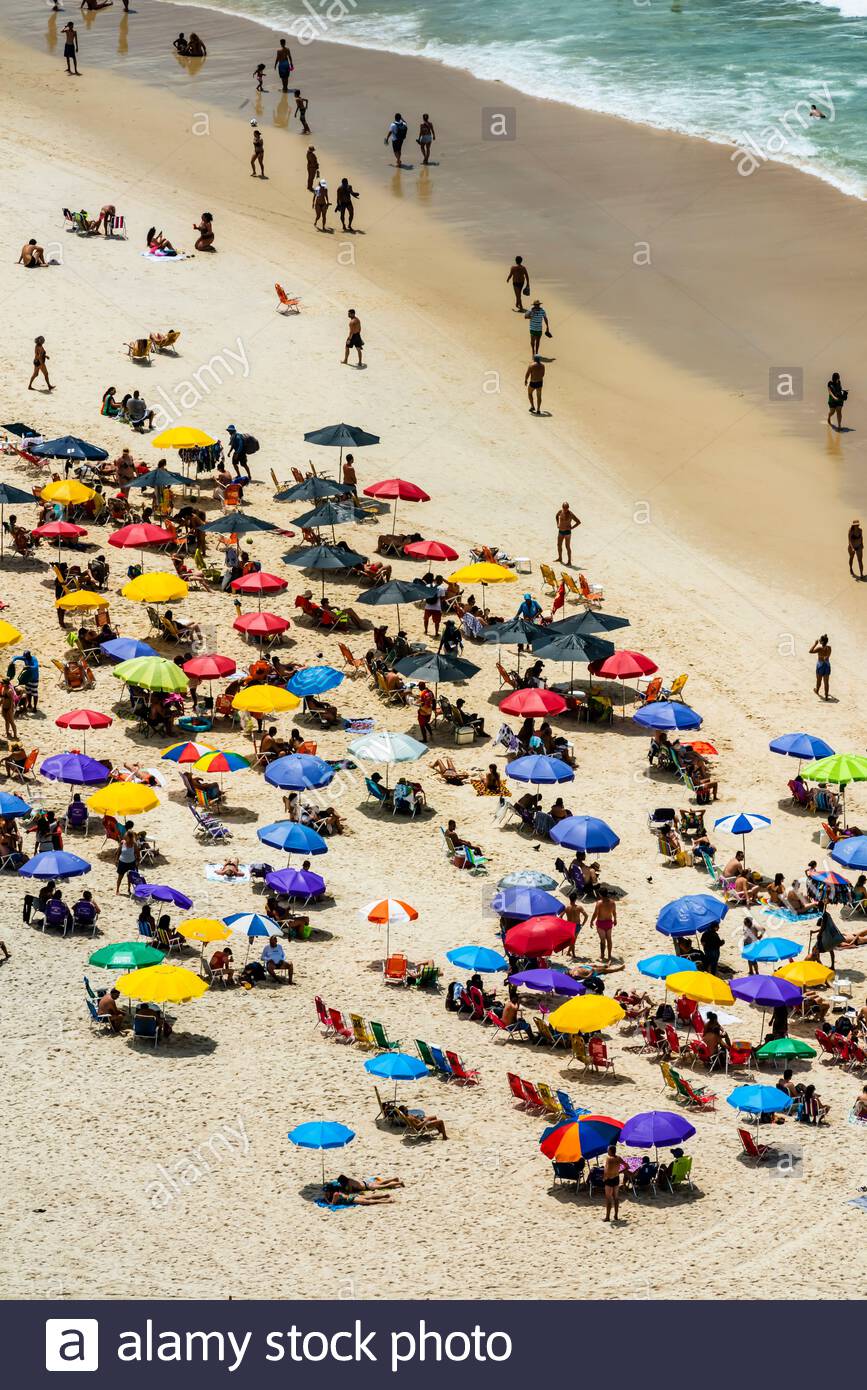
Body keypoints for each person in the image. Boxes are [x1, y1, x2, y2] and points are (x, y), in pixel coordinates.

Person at [602, 1143, 628, 1222]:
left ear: (610, 1151)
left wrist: (604, 1178)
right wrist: (620, 1172)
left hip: (609, 1179)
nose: (607, 1151)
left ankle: (607, 1217)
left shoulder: (608, 1158)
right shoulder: (618, 1158)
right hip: (616, 1178)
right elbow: (627, 1166)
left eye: (608, 1150)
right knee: (616, 1198)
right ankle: (616, 1215)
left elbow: (606, 1170)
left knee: (608, 1199)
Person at [591, 892, 617, 963]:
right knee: (609, 939)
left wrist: (591, 921)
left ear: (600, 894)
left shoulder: (599, 903)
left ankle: (602, 955)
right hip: (609, 922)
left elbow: (595, 913)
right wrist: (615, 920)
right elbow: (614, 912)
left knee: (602, 940)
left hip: (601, 923)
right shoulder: (612, 902)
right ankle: (609, 956)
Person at [115, 824, 139, 895]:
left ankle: (128, 889)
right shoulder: (122, 843)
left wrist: (138, 861)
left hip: (131, 863)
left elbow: (137, 853)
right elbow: (118, 852)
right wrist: (116, 860)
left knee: (129, 878)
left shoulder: (134, 844)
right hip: (122, 862)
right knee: (120, 877)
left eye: (127, 836)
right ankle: (117, 890)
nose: (125, 837)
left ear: (130, 838)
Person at [809, 633, 832, 701]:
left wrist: (815, 643)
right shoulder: (829, 648)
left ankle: (817, 690)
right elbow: (828, 656)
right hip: (827, 665)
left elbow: (810, 651)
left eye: (820, 640)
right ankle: (826, 696)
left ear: (822, 642)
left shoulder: (819, 648)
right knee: (826, 682)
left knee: (819, 680)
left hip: (820, 665)